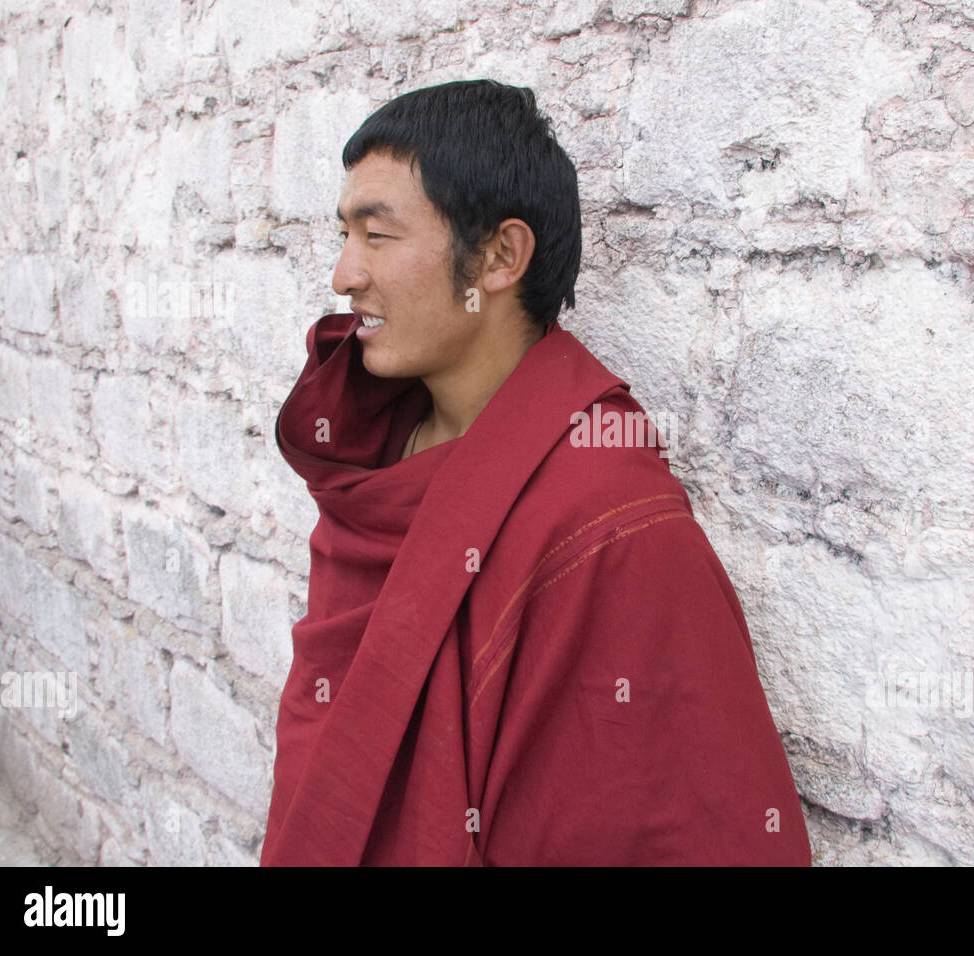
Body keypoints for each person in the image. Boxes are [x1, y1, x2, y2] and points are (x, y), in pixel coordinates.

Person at [260, 79, 811, 865]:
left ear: (498, 257)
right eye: (344, 236)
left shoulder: (610, 519)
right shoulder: (372, 449)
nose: (344, 275)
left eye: (377, 237)